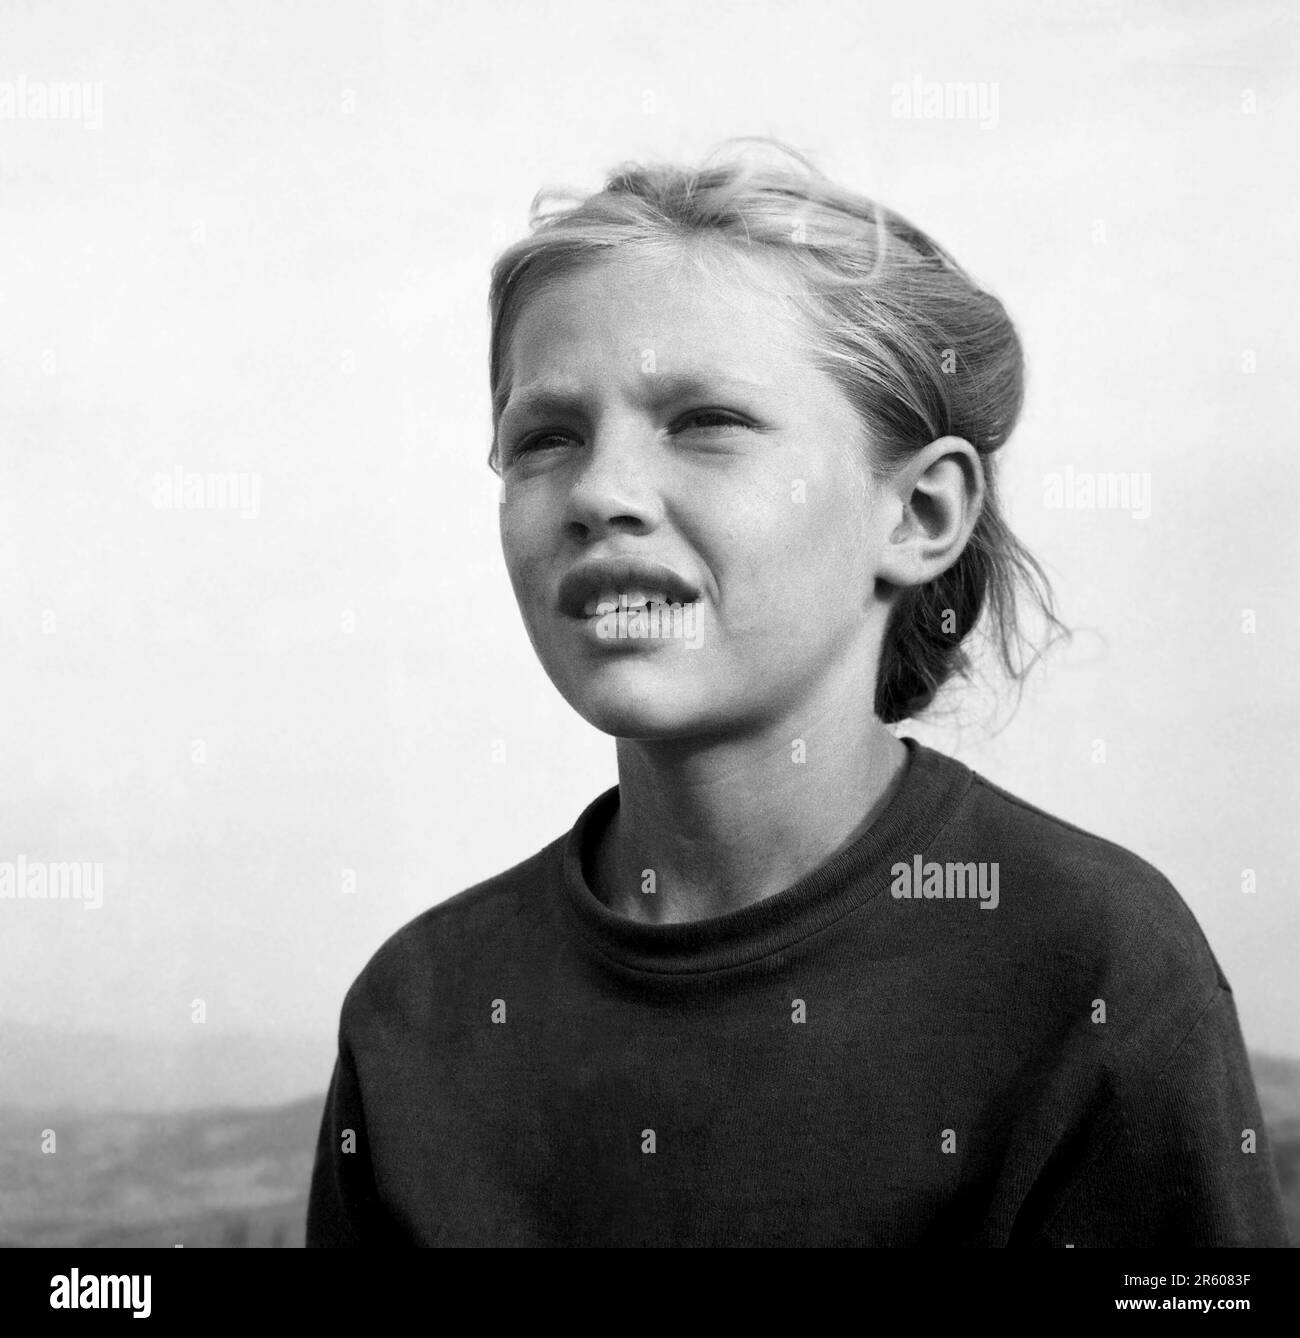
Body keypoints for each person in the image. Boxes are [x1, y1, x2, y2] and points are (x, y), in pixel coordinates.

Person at [306, 140, 1289, 1247]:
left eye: (707, 422)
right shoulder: (417, 1014)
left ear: (917, 516)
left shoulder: (1092, 964)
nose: (601, 492)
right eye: (544, 437)